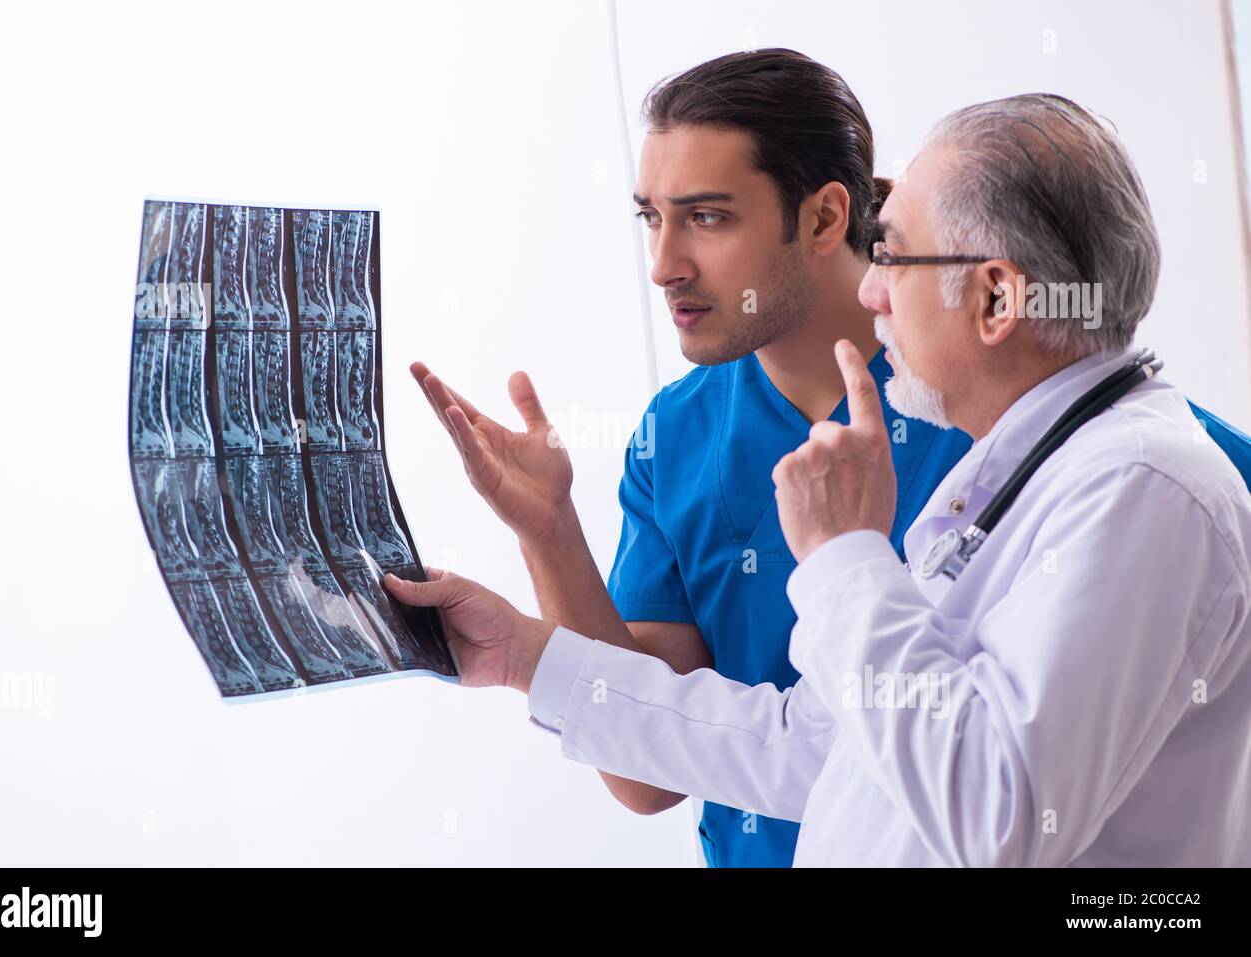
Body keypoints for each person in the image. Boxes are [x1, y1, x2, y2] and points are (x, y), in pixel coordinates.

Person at [387, 92, 1251, 866]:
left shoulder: (1149, 485)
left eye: (897, 255)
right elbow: (811, 746)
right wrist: (526, 656)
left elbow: (1004, 813)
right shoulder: (1022, 475)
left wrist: (846, 559)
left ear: (995, 300)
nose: (874, 289)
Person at [408, 49, 973, 868]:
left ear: (822, 218)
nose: (663, 263)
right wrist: (550, 531)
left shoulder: (974, 389)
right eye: (651, 217)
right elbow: (646, 775)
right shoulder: (672, 435)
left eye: (707, 217)